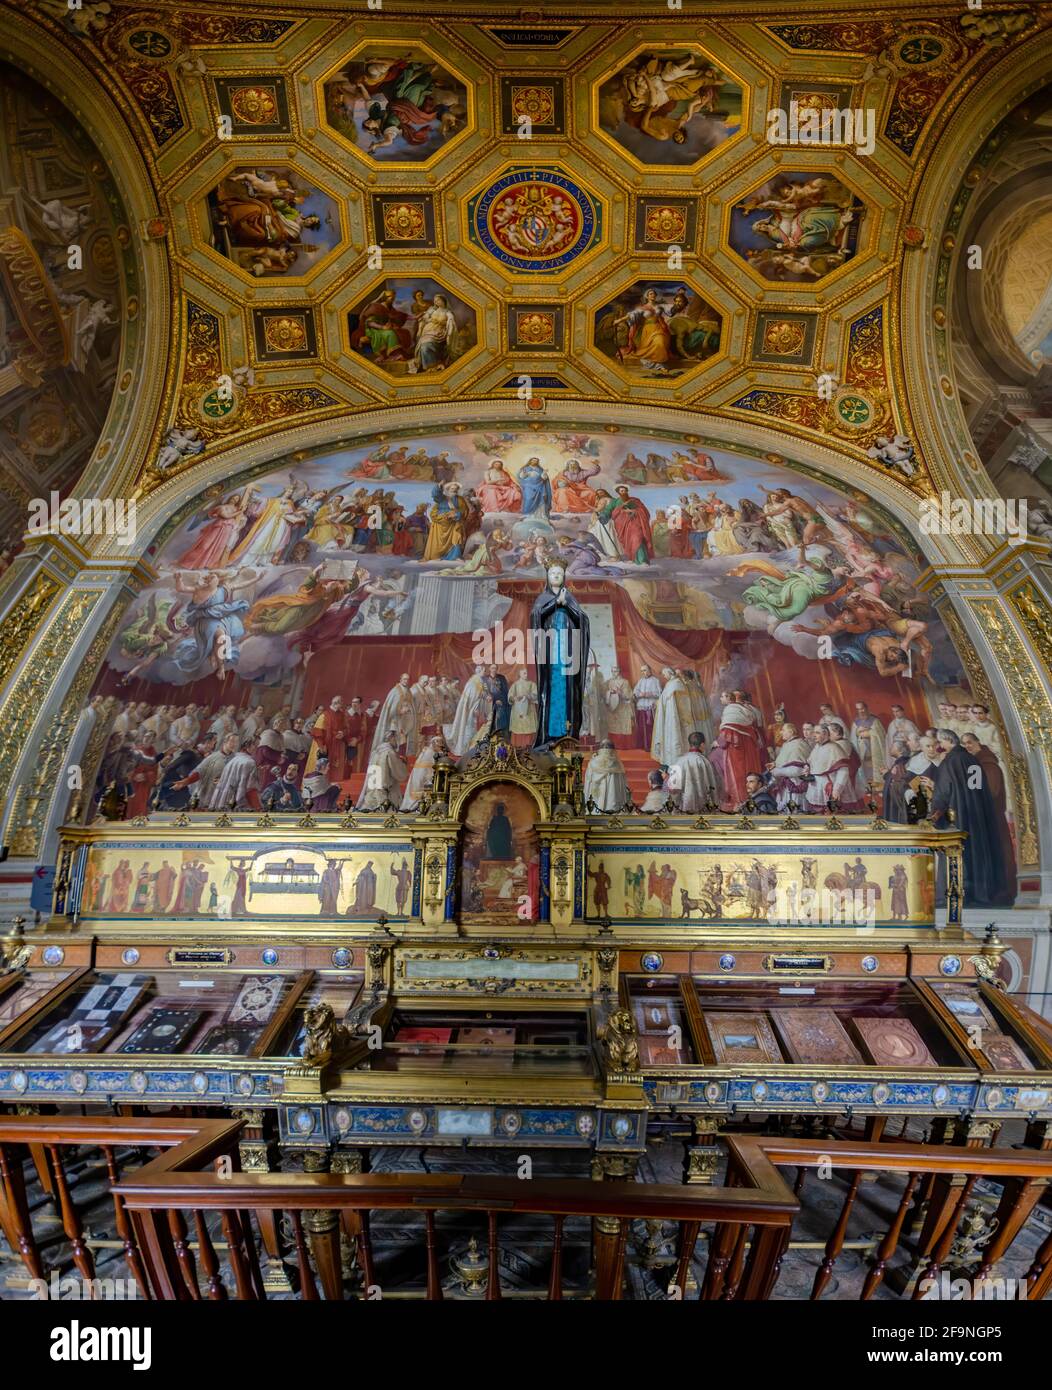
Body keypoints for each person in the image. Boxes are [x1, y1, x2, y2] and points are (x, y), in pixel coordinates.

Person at [930, 729, 1012, 906]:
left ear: (947, 740)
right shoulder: (971, 759)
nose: (939, 745)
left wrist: (935, 811)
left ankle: (956, 894)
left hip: (957, 814)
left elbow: (944, 791)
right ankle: (980, 892)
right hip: (976, 814)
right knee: (976, 851)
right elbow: (976, 788)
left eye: (940, 742)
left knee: (957, 850)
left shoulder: (949, 762)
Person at [530, 562, 590, 749]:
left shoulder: (570, 598)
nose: (556, 576)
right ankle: (550, 736)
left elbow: (583, 620)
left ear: (564, 577)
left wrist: (566, 606)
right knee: (551, 691)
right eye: (553, 573)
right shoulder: (543, 598)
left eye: (559, 573)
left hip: (569, 653)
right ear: (547, 577)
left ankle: (568, 734)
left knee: (570, 691)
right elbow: (535, 617)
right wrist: (555, 604)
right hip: (551, 655)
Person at [668, 732, 720, 812]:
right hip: (703, 807)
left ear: (690, 744)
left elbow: (672, 789)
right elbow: (713, 787)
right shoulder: (705, 762)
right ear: (702, 744)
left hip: (684, 807)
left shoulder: (679, 761)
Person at [305, 696, 352, 783]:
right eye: (339, 703)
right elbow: (317, 732)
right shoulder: (324, 715)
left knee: (334, 770)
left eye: (341, 703)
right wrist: (321, 746)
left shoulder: (343, 715)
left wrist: (343, 733)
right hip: (326, 745)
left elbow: (347, 728)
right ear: (334, 703)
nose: (340, 705)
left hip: (337, 745)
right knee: (322, 767)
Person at [357, 733, 407, 811]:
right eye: (396, 739)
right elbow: (400, 774)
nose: (397, 742)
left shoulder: (375, 753)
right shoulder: (390, 753)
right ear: (391, 738)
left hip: (371, 794)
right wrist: (403, 763)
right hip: (386, 796)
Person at [651, 667, 689, 764]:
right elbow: (664, 699)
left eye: (665, 674)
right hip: (670, 716)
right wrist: (659, 702)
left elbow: (671, 702)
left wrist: (659, 703)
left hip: (672, 717)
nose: (664, 676)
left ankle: (674, 761)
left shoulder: (675, 684)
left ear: (669, 673)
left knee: (675, 737)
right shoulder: (673, 683)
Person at [401, 735, 447, 812]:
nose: (441, 747)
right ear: (434, 743)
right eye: (440, 745)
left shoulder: (428, 751)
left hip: (420, 778)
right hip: (422, 780)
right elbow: (428, 770)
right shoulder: (430, 753)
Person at [584, 740, 629, 812]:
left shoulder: (593, 762)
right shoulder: (617, 764)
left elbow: (588, 780)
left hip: (595, 801)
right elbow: (622, 785)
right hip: (613, 800)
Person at [633, 663, 661, 749]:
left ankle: (651, 746)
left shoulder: (655, 680)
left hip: (650, 707)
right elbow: (635, 692)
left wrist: (649, 694)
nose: (643, 672)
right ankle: (642, 745)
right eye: (642, 671)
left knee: (650, 727)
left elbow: (659, 693)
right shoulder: (640, 681)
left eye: (644, 670)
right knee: (641, 727)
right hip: (641, 707)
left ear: (649, 671)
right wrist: (639, 694)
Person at [508, 668, 538, 746]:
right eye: (524, 673)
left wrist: (527, 696)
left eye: (526, 673)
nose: (526, 675)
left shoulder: (532, 684)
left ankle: (528, 745)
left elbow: (535, 695)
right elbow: (510, 695)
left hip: (529, 709)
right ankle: (517, 745)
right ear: (520, 674)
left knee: (528, 729)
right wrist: (514, 698)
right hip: (518, 710)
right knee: (518, 729)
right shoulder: (515, 684)